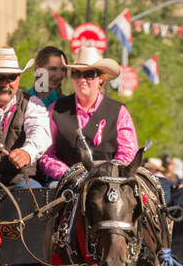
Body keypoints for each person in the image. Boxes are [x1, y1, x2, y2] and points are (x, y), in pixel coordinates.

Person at [38, 45, 138, 182]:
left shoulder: (119, 111)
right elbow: (46, 154)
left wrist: (110, 174)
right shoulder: (55, 109)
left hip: (110, 183)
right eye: (76, 73)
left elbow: (128, 152)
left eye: (89, 74)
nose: (81, 79)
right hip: (67, 184)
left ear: (101, 79)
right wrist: (70, 175)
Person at [0, 46, 53, 189]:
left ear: (19, 78)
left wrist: (27, 152)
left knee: (33, 192)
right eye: (0, 77)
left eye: (12, 77)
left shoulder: (32, 104)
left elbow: (40, 133)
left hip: (20, 182)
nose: (6, 84)